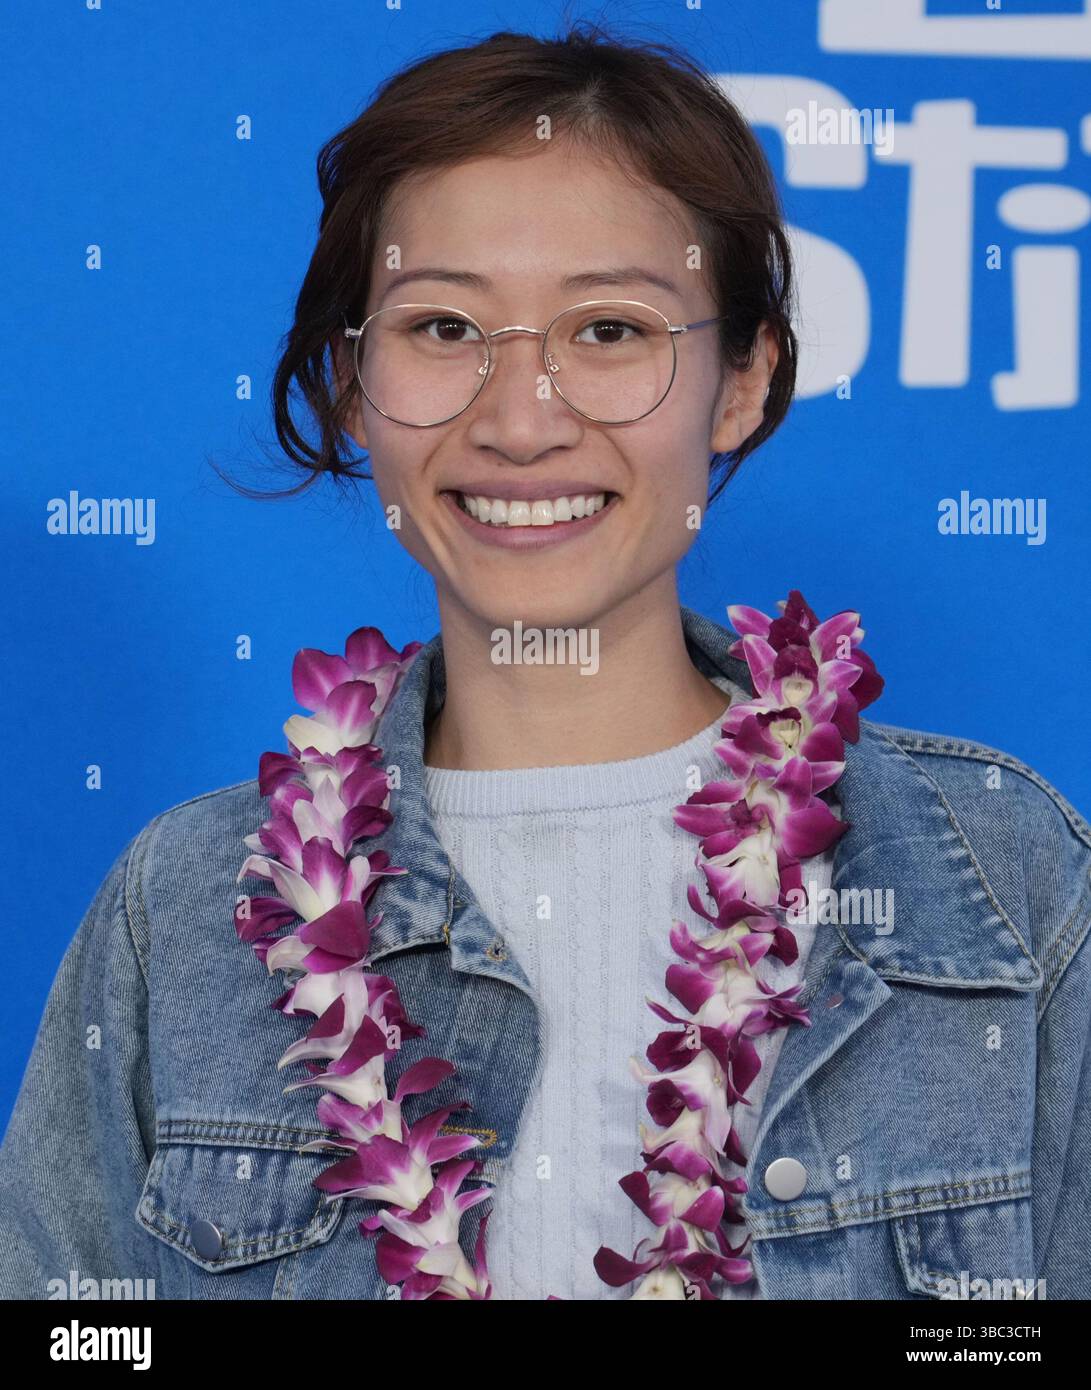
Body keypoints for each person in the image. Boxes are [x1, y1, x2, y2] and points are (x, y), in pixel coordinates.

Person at [2, 24, 1089, 1303]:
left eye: (612, 330)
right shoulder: (182, 908)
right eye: (445, 325)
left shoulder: (1001, 879)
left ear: (741, 380)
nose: (521, 419)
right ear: (353, 385)